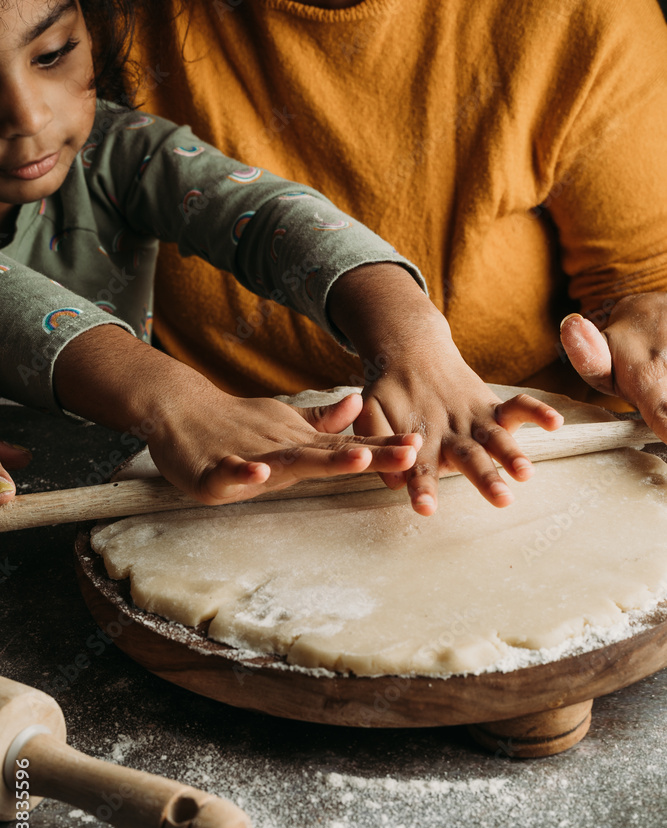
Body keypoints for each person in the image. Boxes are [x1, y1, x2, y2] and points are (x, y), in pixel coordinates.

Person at [0, 0, 562, 513]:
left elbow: (266, 214)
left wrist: (411, 334)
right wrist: (169, 396)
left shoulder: (116, 151)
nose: (26, 116)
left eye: (51, 54)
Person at [130, 0, 667, 502]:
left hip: (536, 463)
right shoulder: (98, 30)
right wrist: (166, 397)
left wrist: (643, 311)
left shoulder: (579, 15)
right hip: (225, 472)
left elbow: (639, 273)